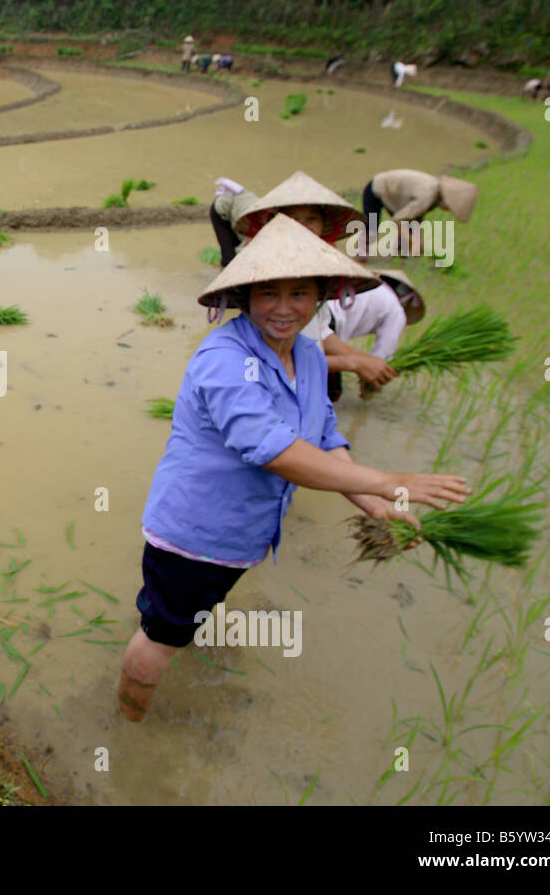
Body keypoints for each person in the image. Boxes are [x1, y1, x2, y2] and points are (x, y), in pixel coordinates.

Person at [116, 214, 470, 722]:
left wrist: (375, 504)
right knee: (160, 639)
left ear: (321, 295)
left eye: (299, 294)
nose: (284, 309)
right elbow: (275, 450)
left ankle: (163, 631)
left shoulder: (307, 355)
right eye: (269, 294)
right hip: (196, 537)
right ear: (246, 298)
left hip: (243, 537)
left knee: (177, 618)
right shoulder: (224, 358)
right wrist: (389, 480)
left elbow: (324, 437)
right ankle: (129, 731)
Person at [230, 171, 399, 397]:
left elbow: (318, 334)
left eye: (311, 219)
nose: (303, 227)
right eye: (293, 219)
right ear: (274, 225)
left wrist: (361, 360)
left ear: (322, 226)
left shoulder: (314, 276)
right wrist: (353, 363)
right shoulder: (261, 273)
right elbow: (280, 362)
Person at [362, 169, 478, 255]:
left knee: (411, 230)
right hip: (376, 190)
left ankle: (398, 256)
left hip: (396, 197)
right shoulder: (428, 196)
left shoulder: (435, 191)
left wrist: (417, 239)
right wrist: (414, 241)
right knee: (371, 231)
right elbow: (398, 219)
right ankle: (358, 257)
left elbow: (416, 217)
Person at [328, 268, 425, 362]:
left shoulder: (365, 284)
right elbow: (383, 353)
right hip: (330, 326)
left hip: (320, 311)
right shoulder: (396, 310)